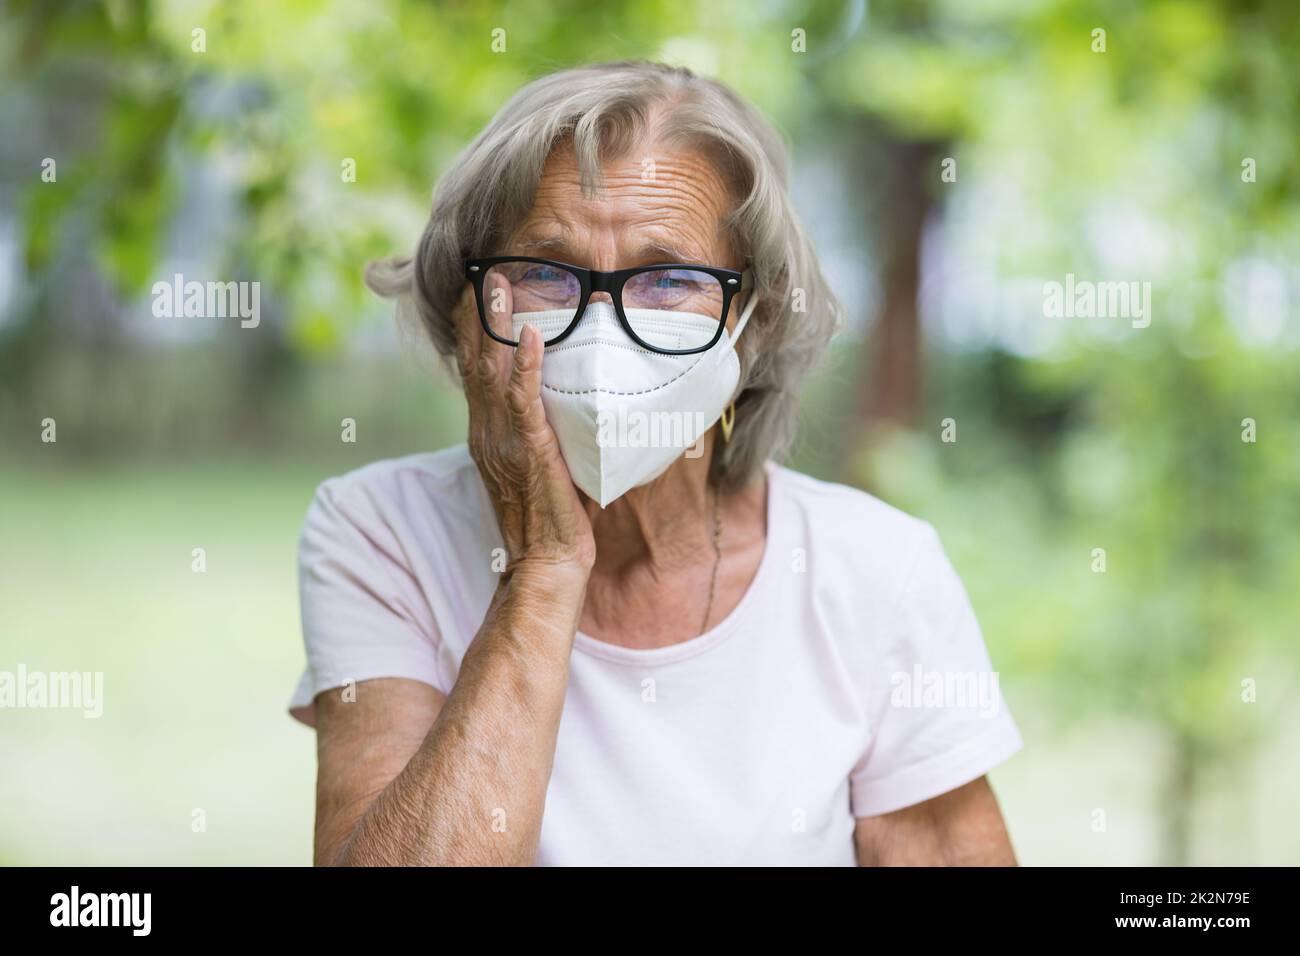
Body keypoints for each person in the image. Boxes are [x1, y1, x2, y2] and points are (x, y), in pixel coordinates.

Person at [288, 60, 1022, 866]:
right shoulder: (381, 532)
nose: (601, 331)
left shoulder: (877, 571)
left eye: (669, 279)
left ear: (754, 320)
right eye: (544, 272)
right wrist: (544, 569)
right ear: (471, 311)